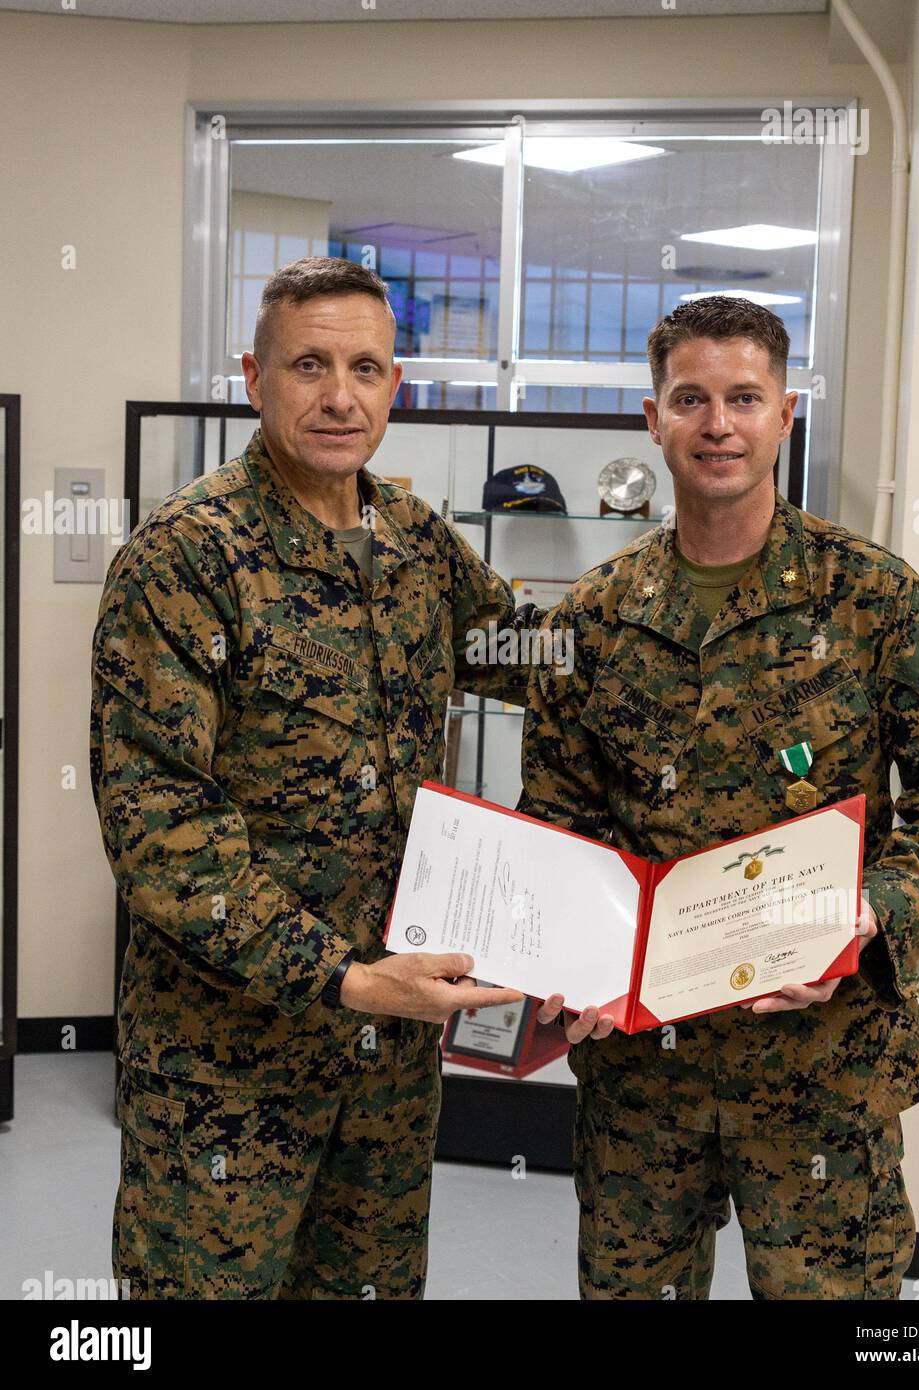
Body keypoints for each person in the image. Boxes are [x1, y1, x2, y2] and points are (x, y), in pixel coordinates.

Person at [520, 296, 919, 1301]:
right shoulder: (593, 620)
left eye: (743, 397)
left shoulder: (877, 603)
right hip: (641, 1076)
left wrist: (872, 914)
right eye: (689, 398)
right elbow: (557, 818)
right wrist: (551, 951)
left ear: (784, 414)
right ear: (650, 420)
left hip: (820, 1070)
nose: (717, 424)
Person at [90, 257, 532, 1300]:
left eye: (366, 368)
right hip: (230, 1062)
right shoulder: (186, 557)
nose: (340, 395)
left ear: (396, 386)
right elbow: (161, 830)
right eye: (309, 365)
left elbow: (530, 660)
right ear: (253, 376)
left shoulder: (413, 539)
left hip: (386, 1054)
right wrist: (343, 976)